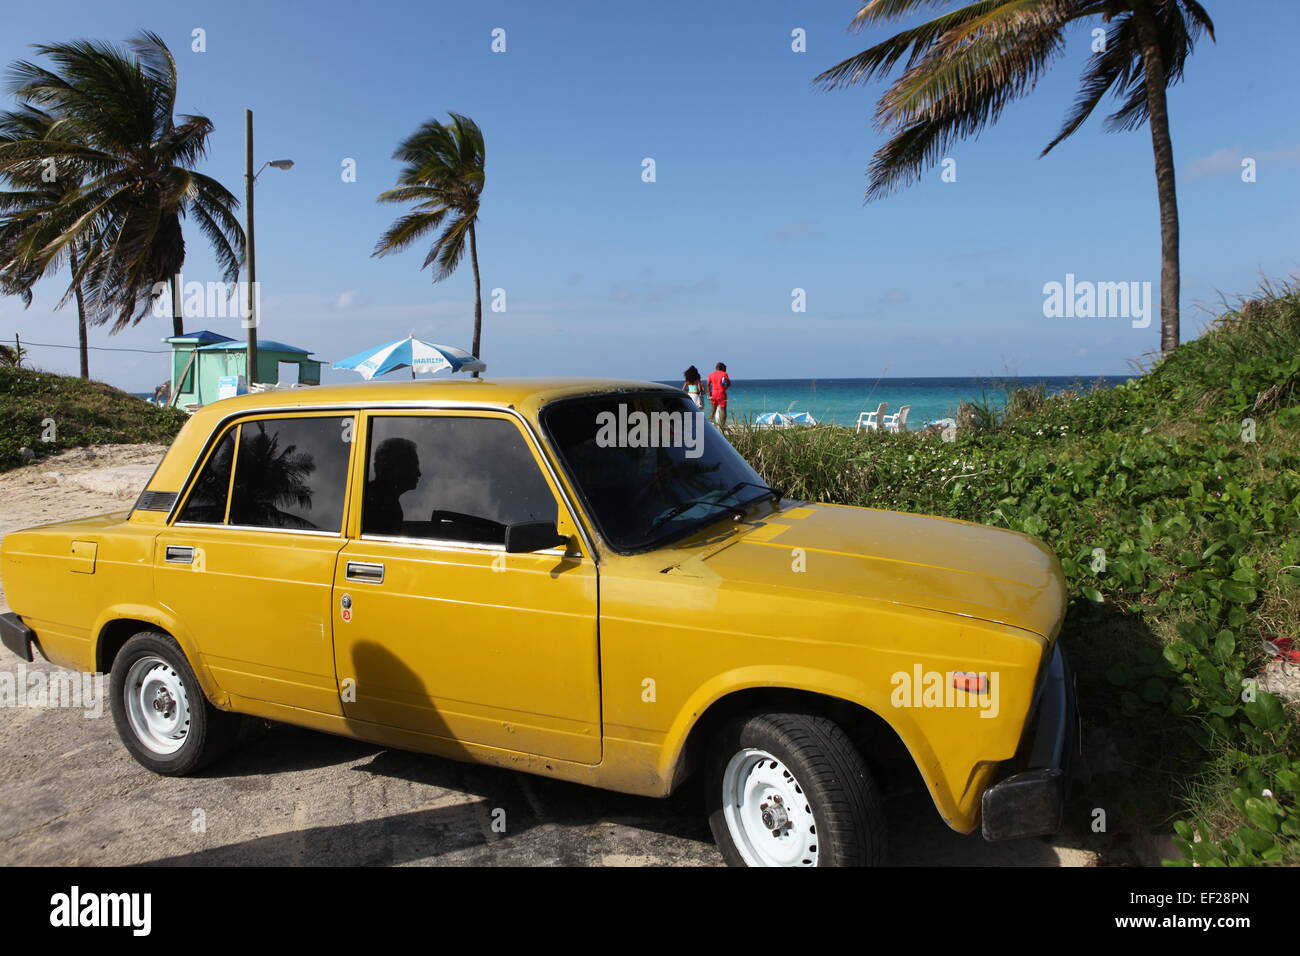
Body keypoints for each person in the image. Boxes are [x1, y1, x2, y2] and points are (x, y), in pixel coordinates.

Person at [363, 437, 421, 535]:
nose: (419, 473)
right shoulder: (379, 507)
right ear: (397, 468)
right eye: (414, 466)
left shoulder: (378, 499)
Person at [707, 362, 731, 427]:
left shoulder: (711, 375)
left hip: (713, 393)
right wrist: (726, 387)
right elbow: (728, 383)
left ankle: (708, 424)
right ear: (722, 368)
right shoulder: (724, 374)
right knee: (723, 409)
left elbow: (708, 385)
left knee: (713, 409)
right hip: (721, 393)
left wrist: (709, 394)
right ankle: (722, 425)